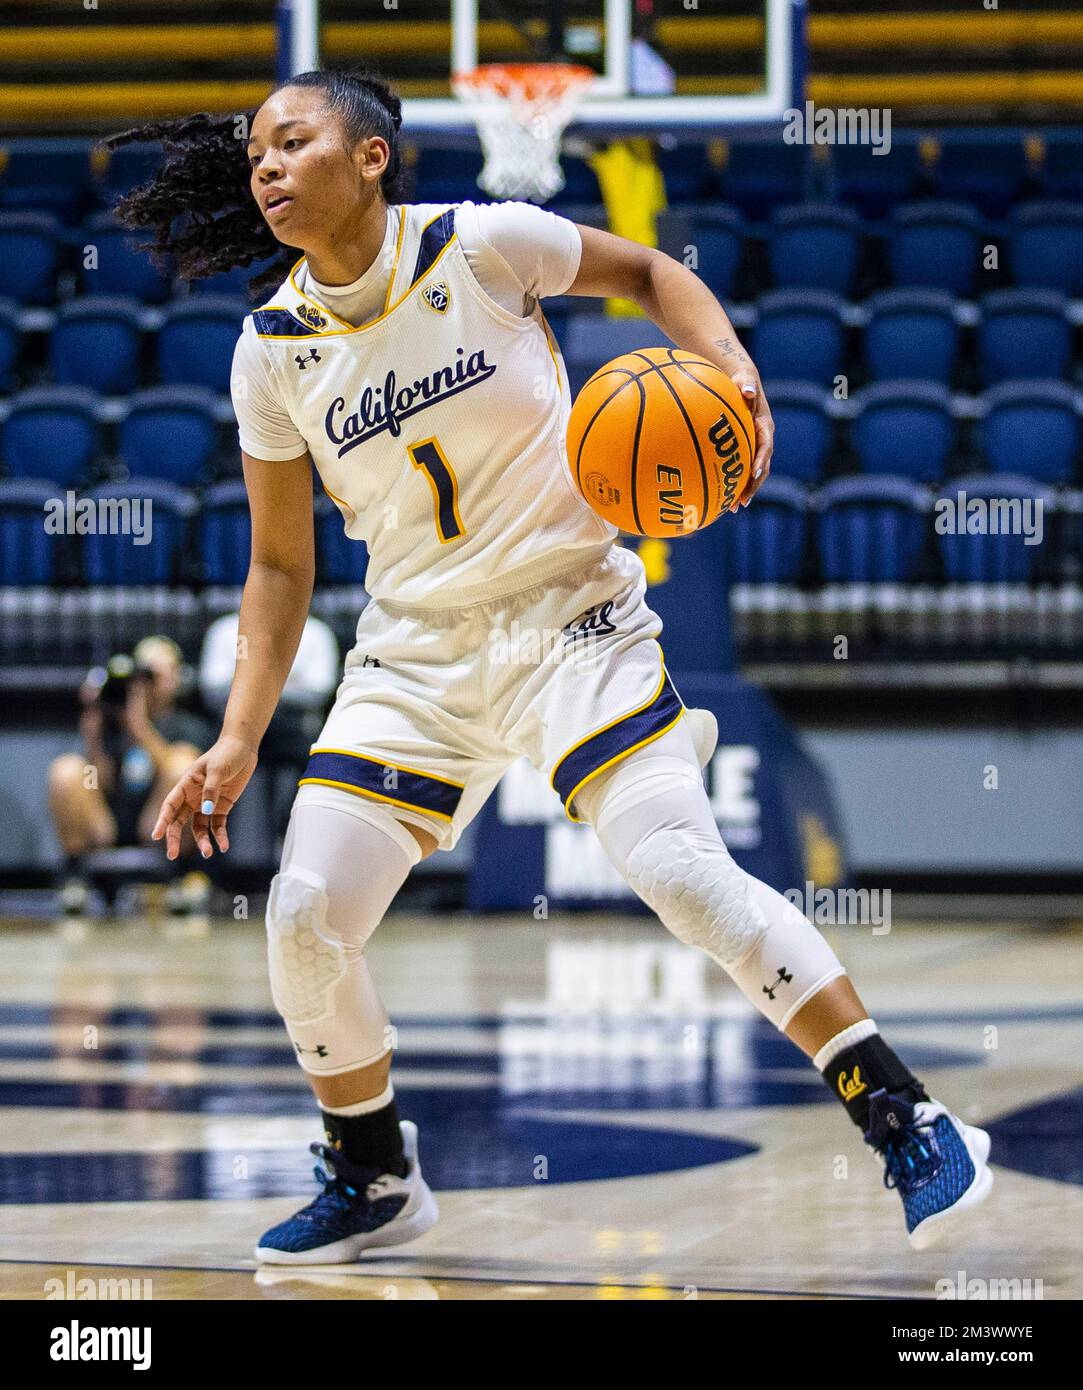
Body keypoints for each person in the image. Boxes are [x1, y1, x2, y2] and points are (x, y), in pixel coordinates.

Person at [107, 67, 992, 1263]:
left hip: (571, 620)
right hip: (414, 655)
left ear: (371, 156)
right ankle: (374, 1174)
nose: (263, 165)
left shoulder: (484, 245)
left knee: (682, 875)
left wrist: (728, 366)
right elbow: (278, 573)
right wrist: (235, 736)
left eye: (292, 140)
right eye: (254, 150)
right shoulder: (268, 354)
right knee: (308, 914)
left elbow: (652, 274)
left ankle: (906, 1115)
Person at [48, 635, 213, 914]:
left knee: (183, 763)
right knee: (66, 771)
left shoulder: (188, 726)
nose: (150, 683)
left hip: (157, 828)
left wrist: (140, 728)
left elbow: (180, 774)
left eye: (157, 673)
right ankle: (77, 879)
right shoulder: (109, 723)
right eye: (144, 673)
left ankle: (182, 878)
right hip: (110, 824)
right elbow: (100, 780)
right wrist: (94, 727)